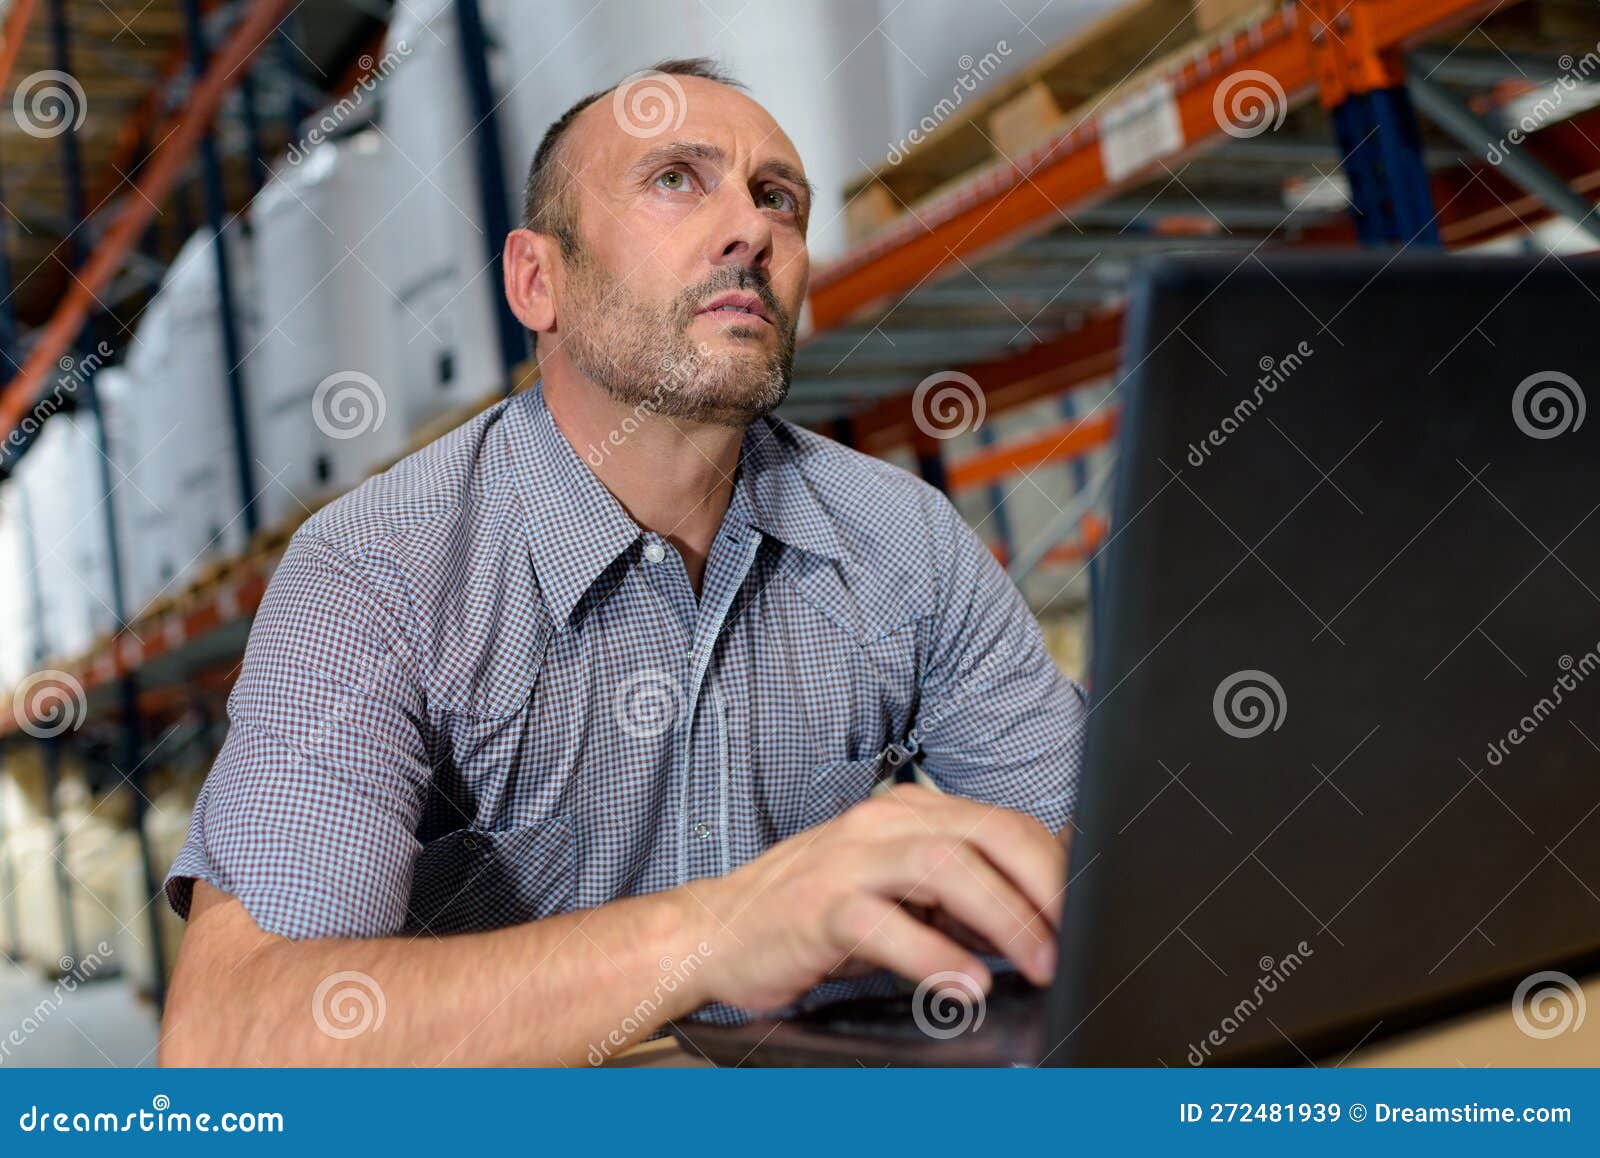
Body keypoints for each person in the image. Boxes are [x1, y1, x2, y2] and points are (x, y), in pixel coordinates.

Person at [159, 58, 1086, 1066]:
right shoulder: (376, 574)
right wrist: (716, 933)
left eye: (777, 197)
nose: (751, 230)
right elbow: (231, 1041)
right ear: (536, 281)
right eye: (675, 180)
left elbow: (1108, 855)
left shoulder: (905, 542)